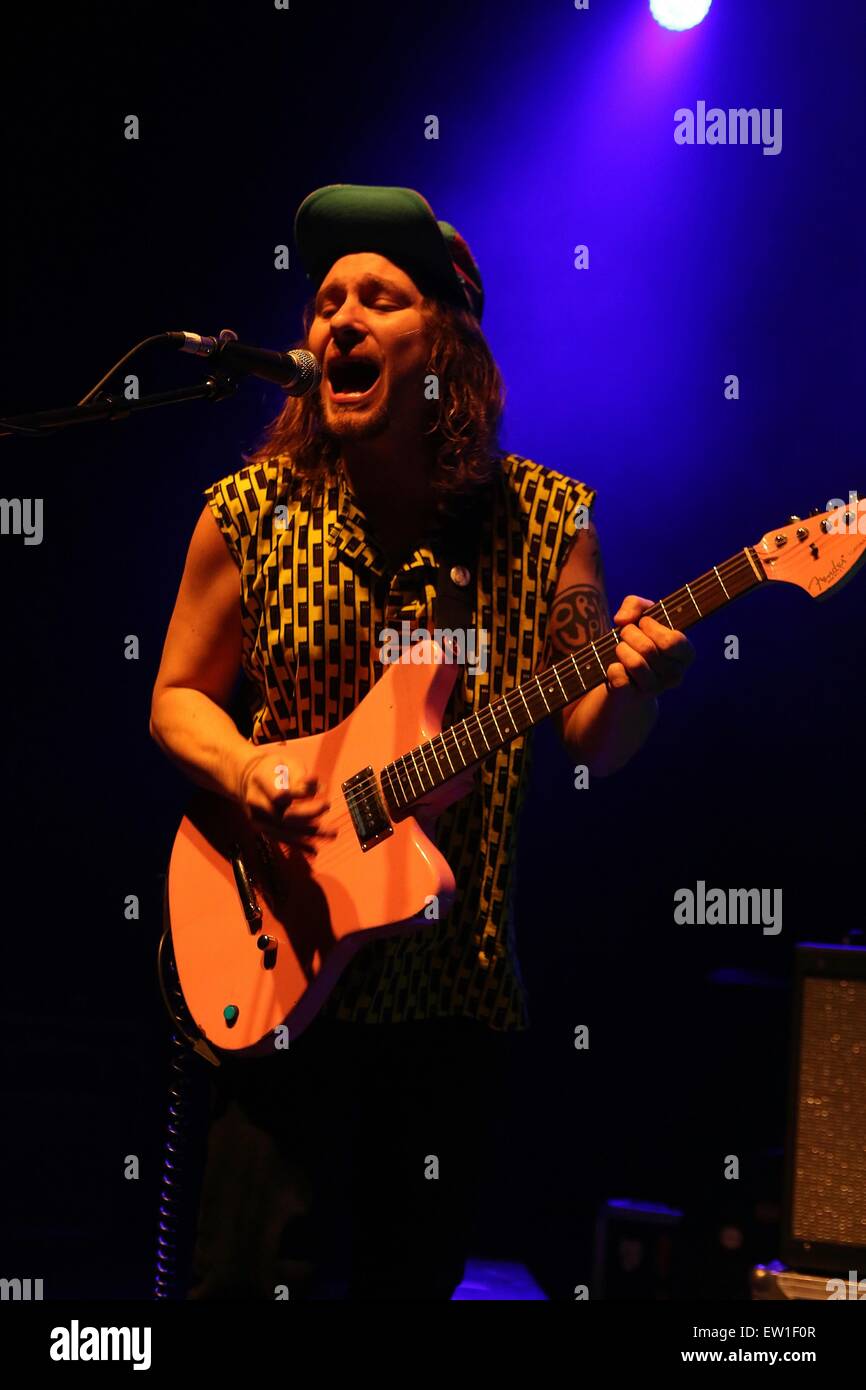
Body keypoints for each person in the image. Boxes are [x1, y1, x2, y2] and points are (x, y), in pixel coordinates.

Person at [149, 184, 695, 1300]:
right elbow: (174, 699)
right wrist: (250, 765)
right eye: (325, 300)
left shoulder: (546, 523)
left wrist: (640, 683)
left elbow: (592, 736)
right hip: (279, 965)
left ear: (443, 344)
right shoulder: (246, 514)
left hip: (449, 1011)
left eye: (379, 299)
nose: (338, 319)